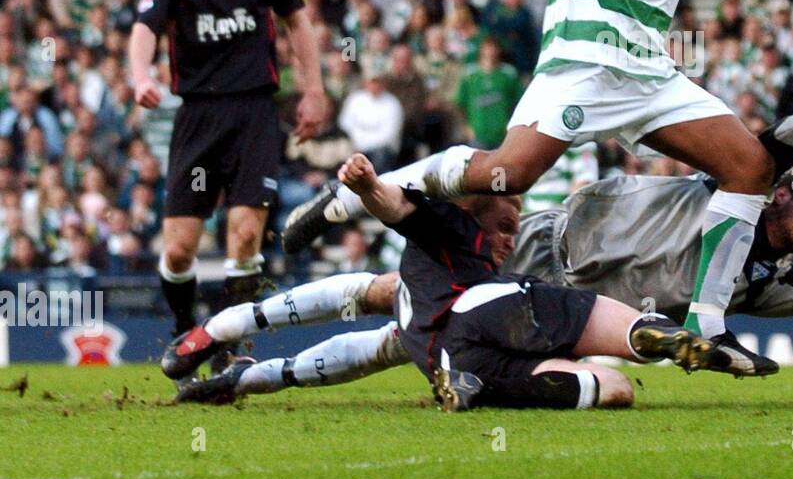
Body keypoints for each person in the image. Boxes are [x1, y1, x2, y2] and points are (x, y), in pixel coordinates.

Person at [286, 0, 793, 375]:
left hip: (649, 71)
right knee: (509, 173)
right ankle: (352, 193)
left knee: (750, 166)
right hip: (585, 56)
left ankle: (707, 327)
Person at [165, 103, 793, 398]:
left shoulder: (751, 279)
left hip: (558, 306)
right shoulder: (733, 181)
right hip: (544, 234)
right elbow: (784, 135)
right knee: (406, 275)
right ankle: (331, 213)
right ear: (782, 192)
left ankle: (239, 367)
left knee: (402, 332)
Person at [171, 153, 725, 412]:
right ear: (476, 212)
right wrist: (366, 187)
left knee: (385, 310)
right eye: (504, 225)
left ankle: (239, 361)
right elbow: (396, 205)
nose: (511, 237)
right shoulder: (454, 229)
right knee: (381, 301)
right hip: (445, 330)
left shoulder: (474, 257)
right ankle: (230, 340)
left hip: (435, 333)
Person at [128, 0, 327, 337]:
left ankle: (233, 347)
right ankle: (184, 330)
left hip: (254, 111)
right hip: (197, 113)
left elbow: (297, 22)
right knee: (179, 249)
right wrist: (139, 76)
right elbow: (144, 29)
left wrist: (313, 89)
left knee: (243, 235)